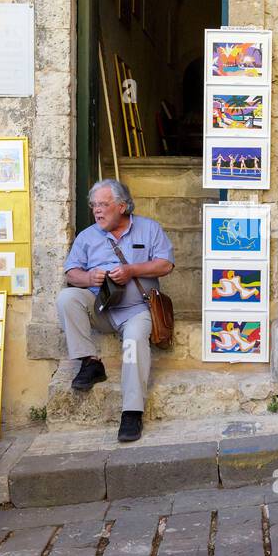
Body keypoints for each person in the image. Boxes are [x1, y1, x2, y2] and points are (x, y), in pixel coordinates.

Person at [56, 179, 174, 442]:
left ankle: (132, 412)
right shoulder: (87, 236)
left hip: (137, 311)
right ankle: (89, 361)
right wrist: (89, 279)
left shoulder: (149, 229)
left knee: (133, 342)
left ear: (121, 206)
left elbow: (166, 264)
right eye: (94, 205)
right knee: (67, 298)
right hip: (101, 310)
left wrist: (132, 270)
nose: (97, 210)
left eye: (103, 204)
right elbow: (71, 272)